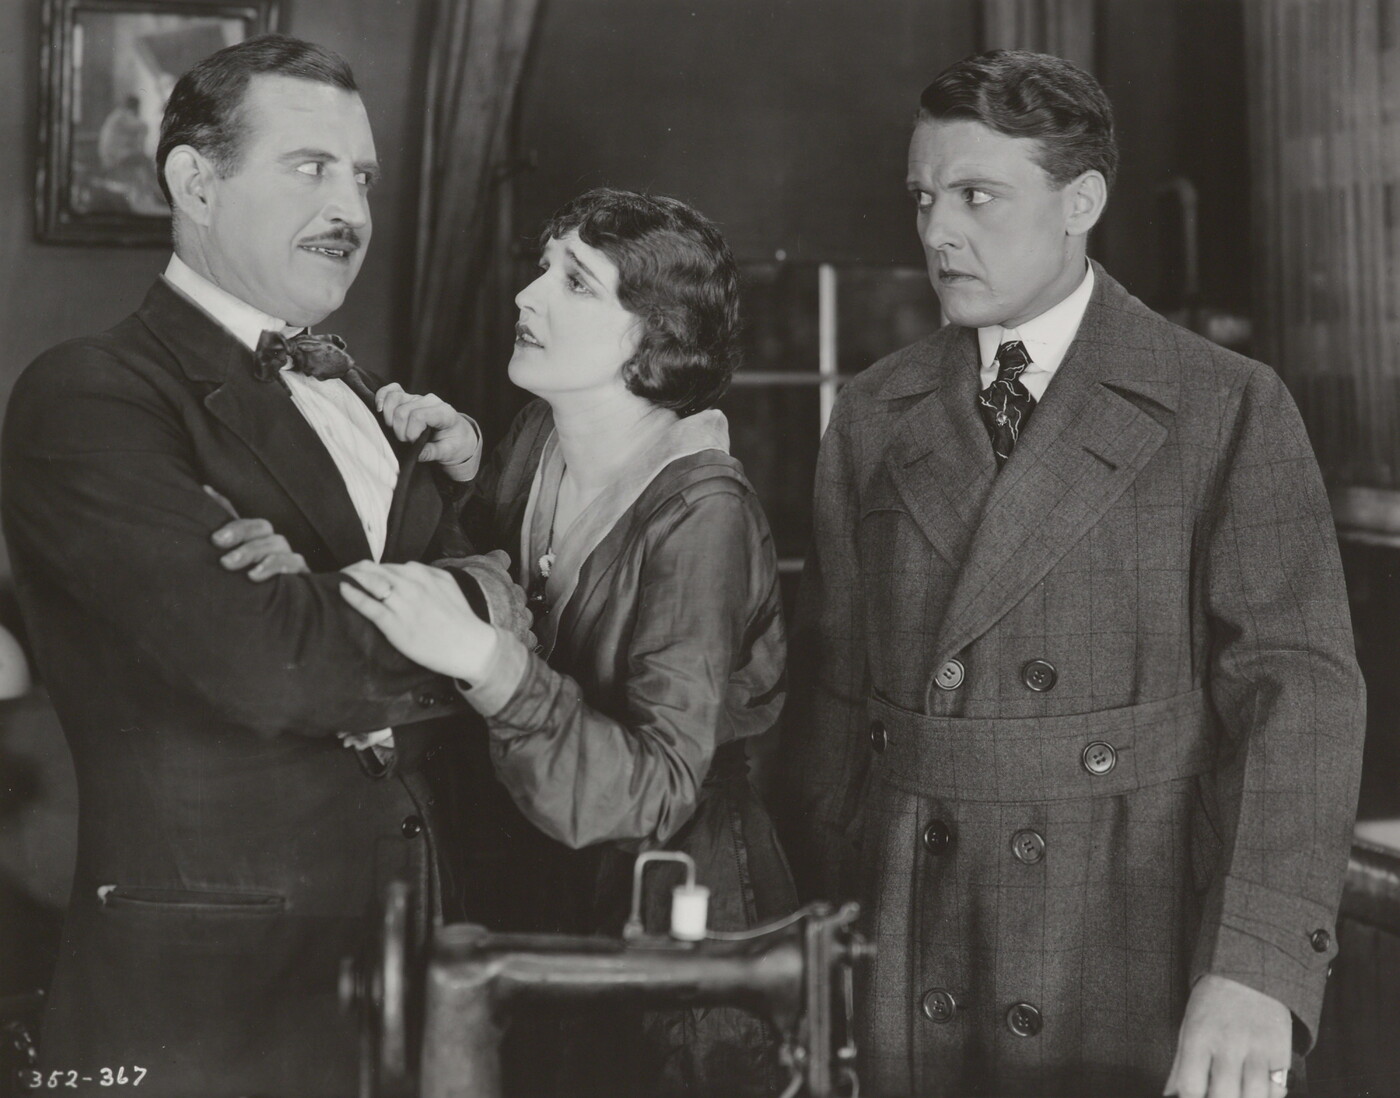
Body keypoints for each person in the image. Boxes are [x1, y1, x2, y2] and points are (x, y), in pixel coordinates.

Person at [781, 50, 1366, 1098]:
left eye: (974, 195)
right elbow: (832, 709)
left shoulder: (1222, 402)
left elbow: (1299, 696)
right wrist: (806, 947)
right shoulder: (872, 411)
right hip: (908, 922)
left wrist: (1254, 964)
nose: (934, 230)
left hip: (1125, 920)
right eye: (922, 197)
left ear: (1079, 201)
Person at [2, 35, 523, 1098]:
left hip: (414, 955)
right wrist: (484, 606)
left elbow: (359, 623)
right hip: (210, 1004)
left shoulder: (370, 396)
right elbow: (264, 663)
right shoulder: (91, 395)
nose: (352, 208)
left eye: (362, 176)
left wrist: (326, 597)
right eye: (309, 167)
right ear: (195, 181)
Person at [339, 188, 798, 1097]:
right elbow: (536, 587)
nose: (528, 296)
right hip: (549, 895)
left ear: (653, 339)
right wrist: (467, 469)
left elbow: (660, 786)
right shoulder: (542, 432)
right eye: (544, 267)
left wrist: (483, 661)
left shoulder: (704, 515)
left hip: (678, 924)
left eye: (576, 283)